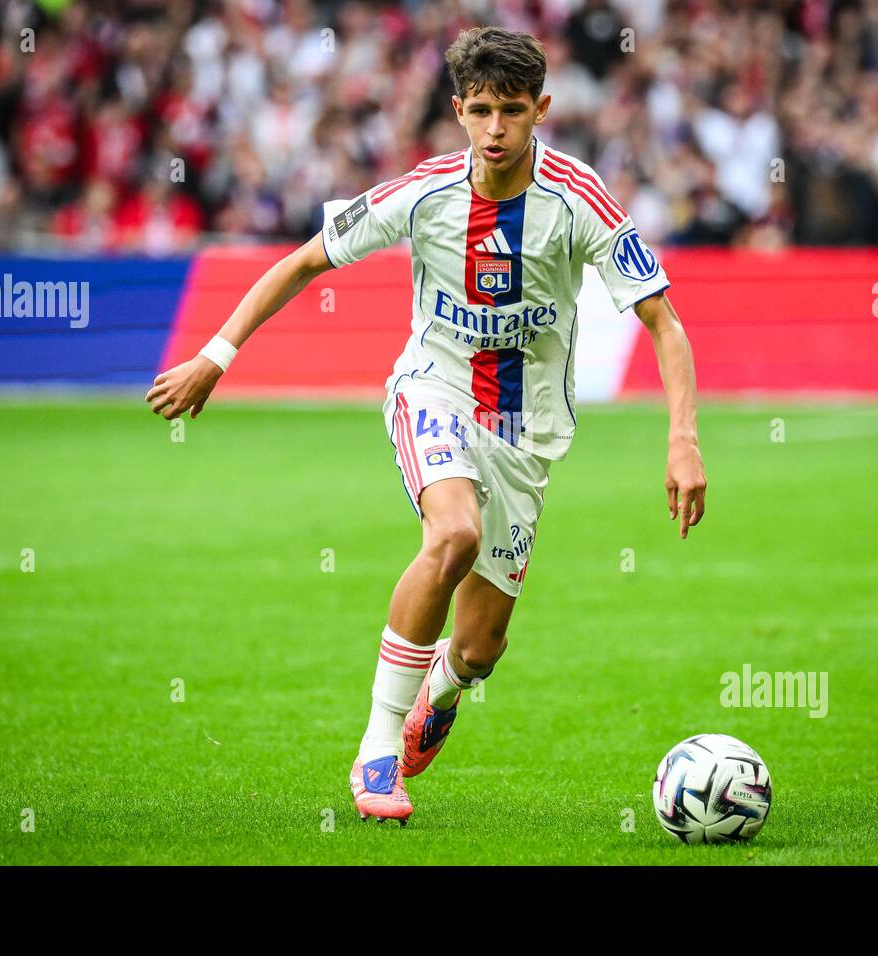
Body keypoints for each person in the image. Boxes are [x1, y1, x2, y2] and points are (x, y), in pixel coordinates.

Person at [144, 27, 707, 825]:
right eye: (480, 110)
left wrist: (682, 438)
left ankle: (440, 687)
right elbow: (304, 259)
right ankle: (376, 752)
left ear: (541, 109)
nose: (496, 128)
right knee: (453, 537)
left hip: (526, 429)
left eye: (513, 110)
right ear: (458, 111)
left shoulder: (578, 199)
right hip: (432, 389)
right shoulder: (425, 192)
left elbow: (664, 321)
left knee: (480, 649)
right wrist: (216, 354)